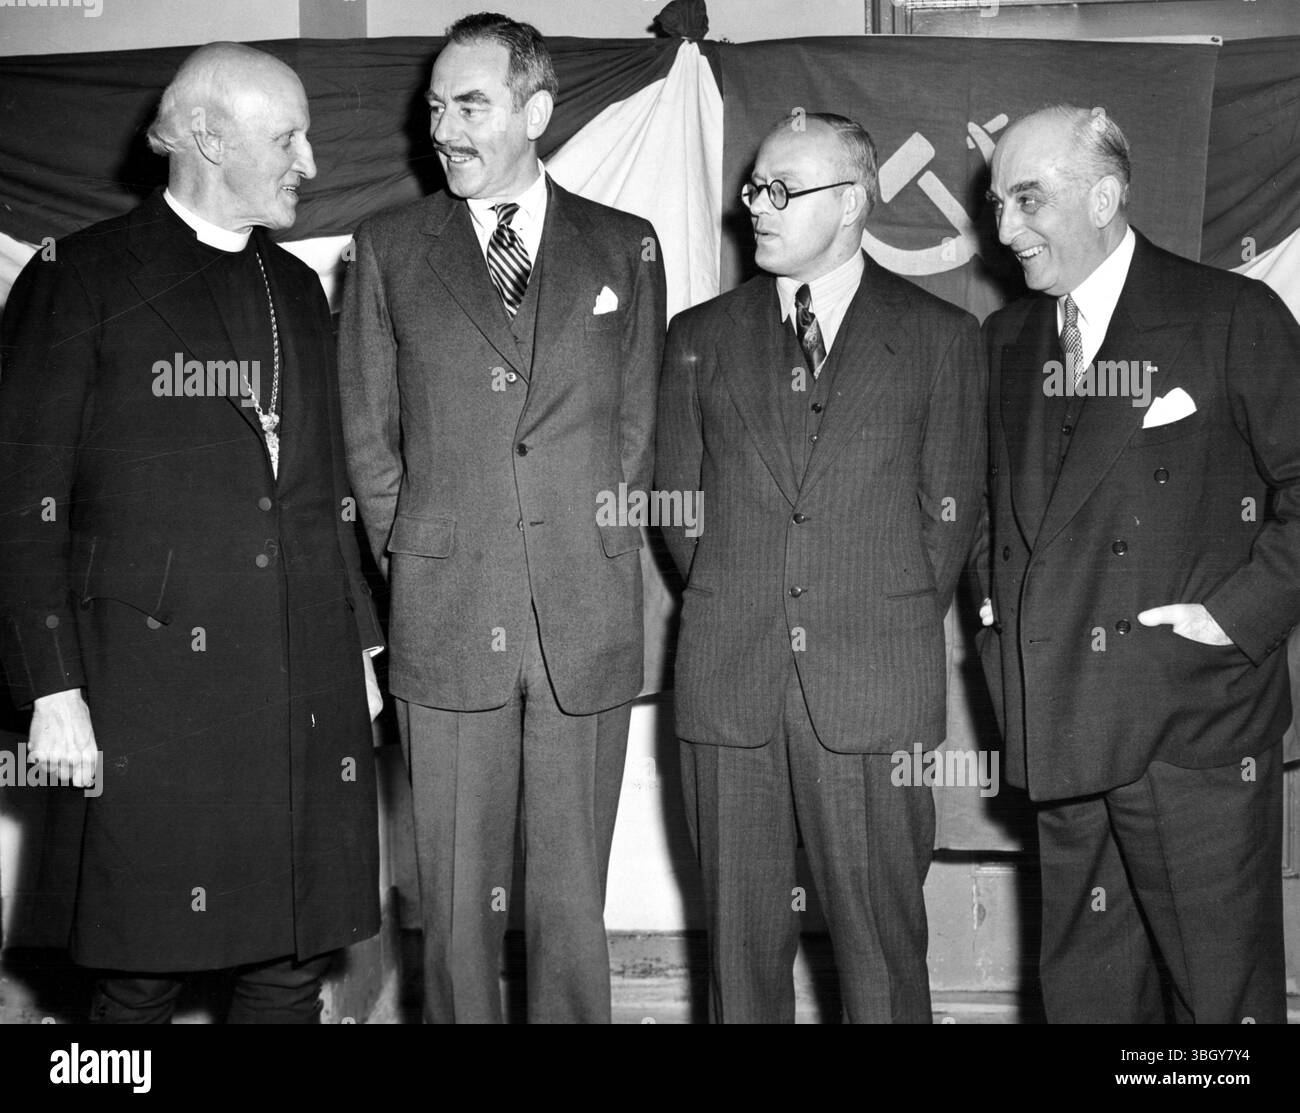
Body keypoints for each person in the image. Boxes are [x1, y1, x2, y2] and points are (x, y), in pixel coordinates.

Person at [0, 41, 384, 1023]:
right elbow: (19, 497)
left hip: (299, 687)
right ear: (209, 137)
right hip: (145, 697)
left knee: (290, 966)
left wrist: (362, 652)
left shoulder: (296, 289)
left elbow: (319, 488)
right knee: (139, 972)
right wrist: (50, 687)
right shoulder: (76, 276)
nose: (308, 162)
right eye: (286, 138)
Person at [338, 12, 665, 1024]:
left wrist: (591, 548)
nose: (444, 127)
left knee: (570, 900)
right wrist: (425, 555)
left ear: (534, 109)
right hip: (446, 608)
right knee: (455, 899)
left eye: (468, 105)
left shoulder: (627, 247)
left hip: (583, 614)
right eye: (435, 107)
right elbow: (369, 442)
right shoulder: (388, 249)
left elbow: (638, 435)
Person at [656, 112, 986, 1023]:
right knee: (739, 950)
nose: (753, 207)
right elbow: (678, 508)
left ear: (850, 204)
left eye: (779, 191)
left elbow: (946, 526)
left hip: (874, 688)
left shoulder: (942, 339)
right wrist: (744, 591)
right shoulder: (698, 336)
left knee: (881, 951)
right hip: (732, 682)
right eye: (752, 189)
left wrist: (855, 606)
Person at [980, 104, 1300, 1023]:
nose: (1005, 230)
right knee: (1089, 998)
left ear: (1107, 195)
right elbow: (988, 517)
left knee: (1216, 1005)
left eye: (1028, 199)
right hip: (1060, 726)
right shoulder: (1006, 344)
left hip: (1190, 728)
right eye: (999, 203)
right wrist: (998, 619)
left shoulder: (1231, 314)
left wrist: (1229, 620)